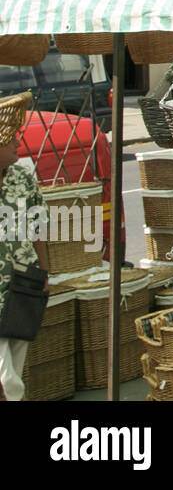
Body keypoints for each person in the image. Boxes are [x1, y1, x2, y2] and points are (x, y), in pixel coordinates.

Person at [0, 93, 48, 403]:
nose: (18, 144)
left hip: (22, 281)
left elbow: (39, 225)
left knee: (16, 359)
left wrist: (45, 271)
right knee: (5, 376)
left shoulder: (21, 177)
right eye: (11, 141)